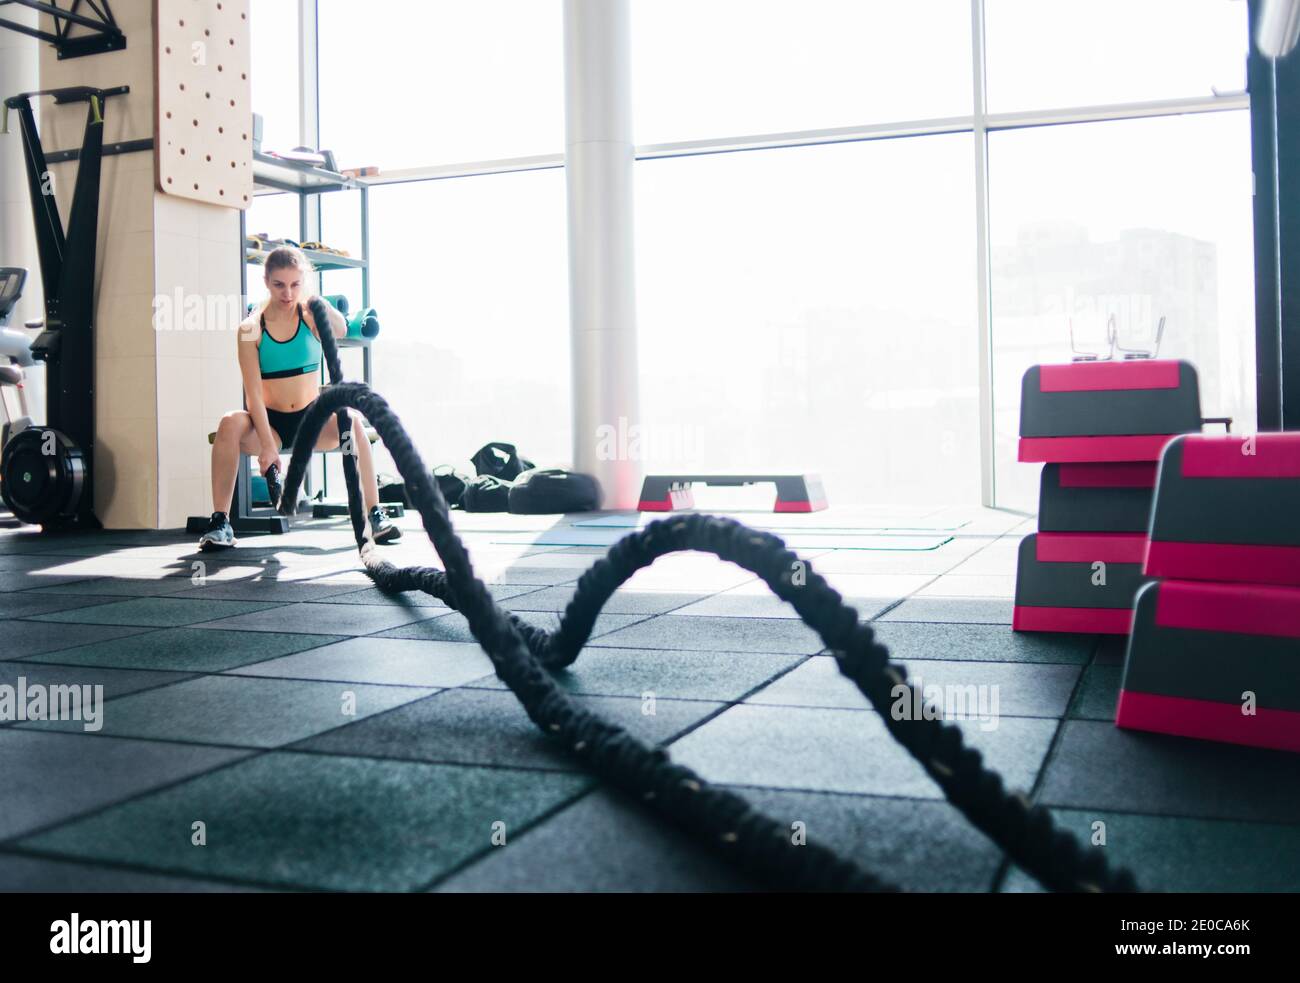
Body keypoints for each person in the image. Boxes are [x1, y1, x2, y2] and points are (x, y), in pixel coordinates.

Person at [198, 245, 400, 550]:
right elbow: (252, 394)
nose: (288, 293)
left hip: (311, 421)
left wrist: (316, 301)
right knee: (229, 422)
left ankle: (375, 515)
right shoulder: (251, 329)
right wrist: (267, 446)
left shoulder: (310, 317)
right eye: (279, 284)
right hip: (270, 423)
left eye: (295, 284)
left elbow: (343, 328)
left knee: (354, 425)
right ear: (266, 281)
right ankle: (221, 523)